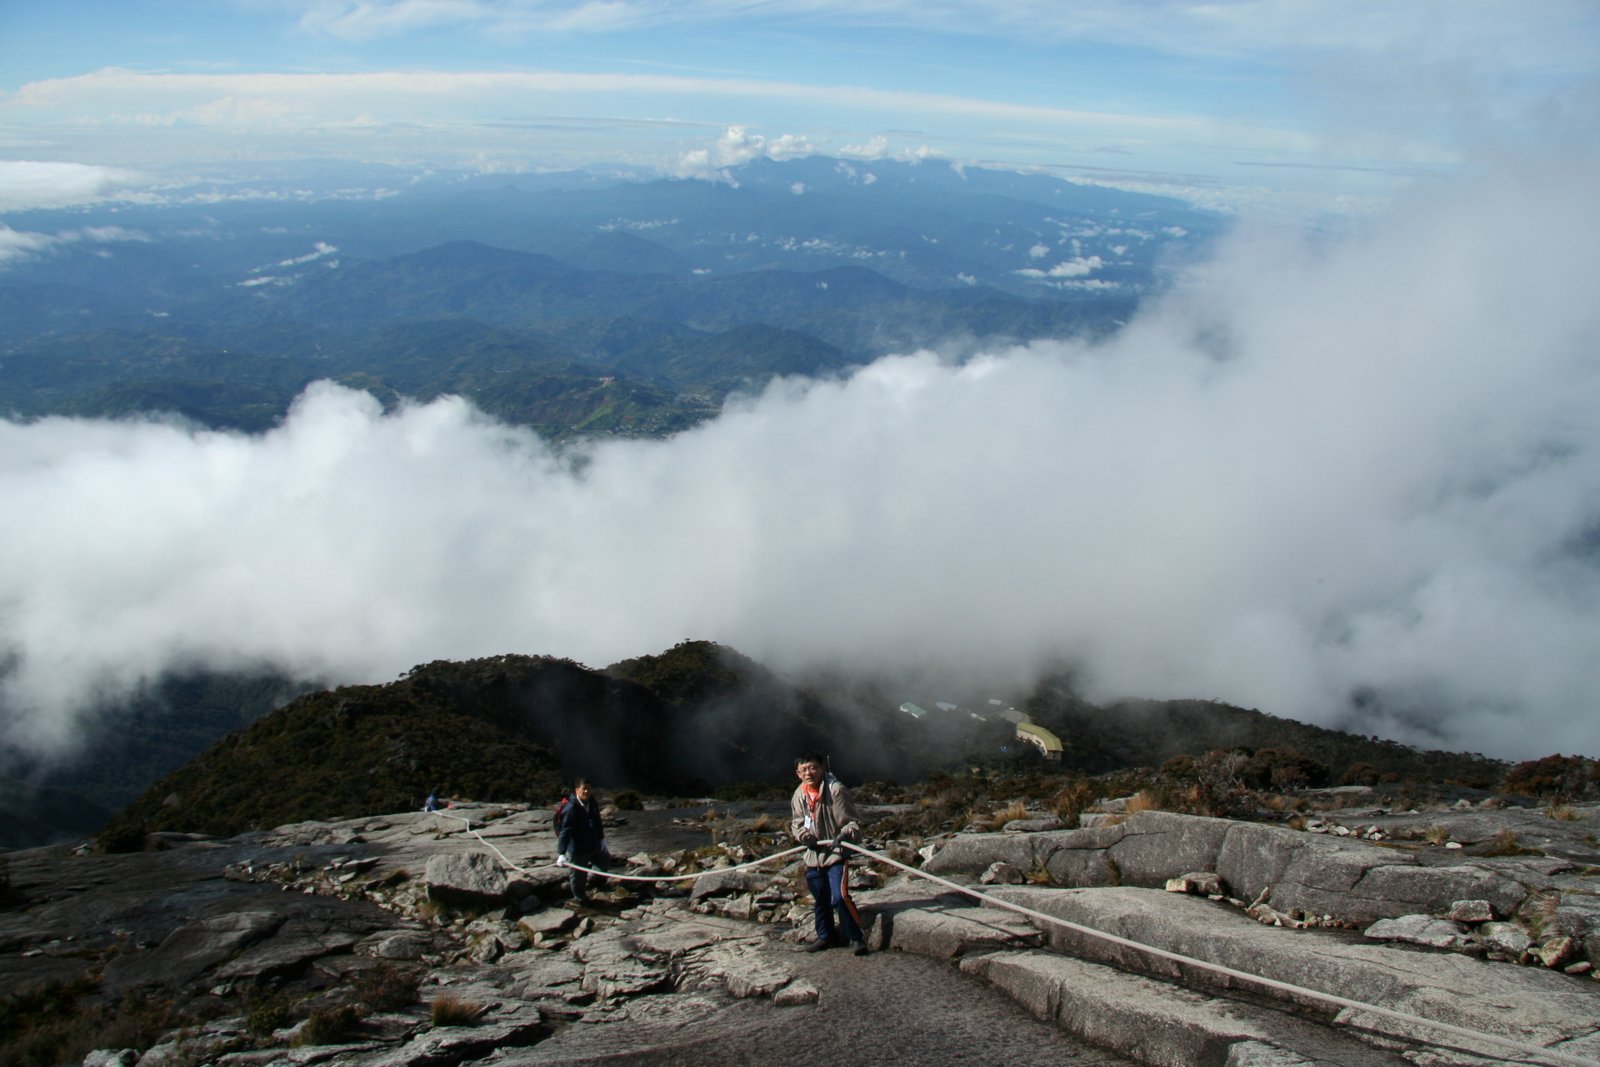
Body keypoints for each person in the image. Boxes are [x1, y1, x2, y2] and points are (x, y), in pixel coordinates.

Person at [790, 753, 869, 955]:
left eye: (813, 768)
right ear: (798, 773)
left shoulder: (836, 790)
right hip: (814, 856)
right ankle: (825, 936)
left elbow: (852, 822)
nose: (809, 773)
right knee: (820, 897)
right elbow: (797, 824)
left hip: (835, 853)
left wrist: (845, 834)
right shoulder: (799, 796)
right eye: (804, 769)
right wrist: (804, 836)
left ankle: (856, 937)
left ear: (822, 768)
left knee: (839, 897)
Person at [556, 779, 608, 902]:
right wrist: (561, 853)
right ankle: (580, 900)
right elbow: (565, 832)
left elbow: (597, 822)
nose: (586, 791)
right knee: (578, 876)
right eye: (584, 788)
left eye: (589, 788)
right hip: (577, 848)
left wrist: (601, 839)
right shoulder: (571, 808)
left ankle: (592, 882)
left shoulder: (592, 802)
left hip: (592, 843)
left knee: (603, 861)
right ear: (576, 790)